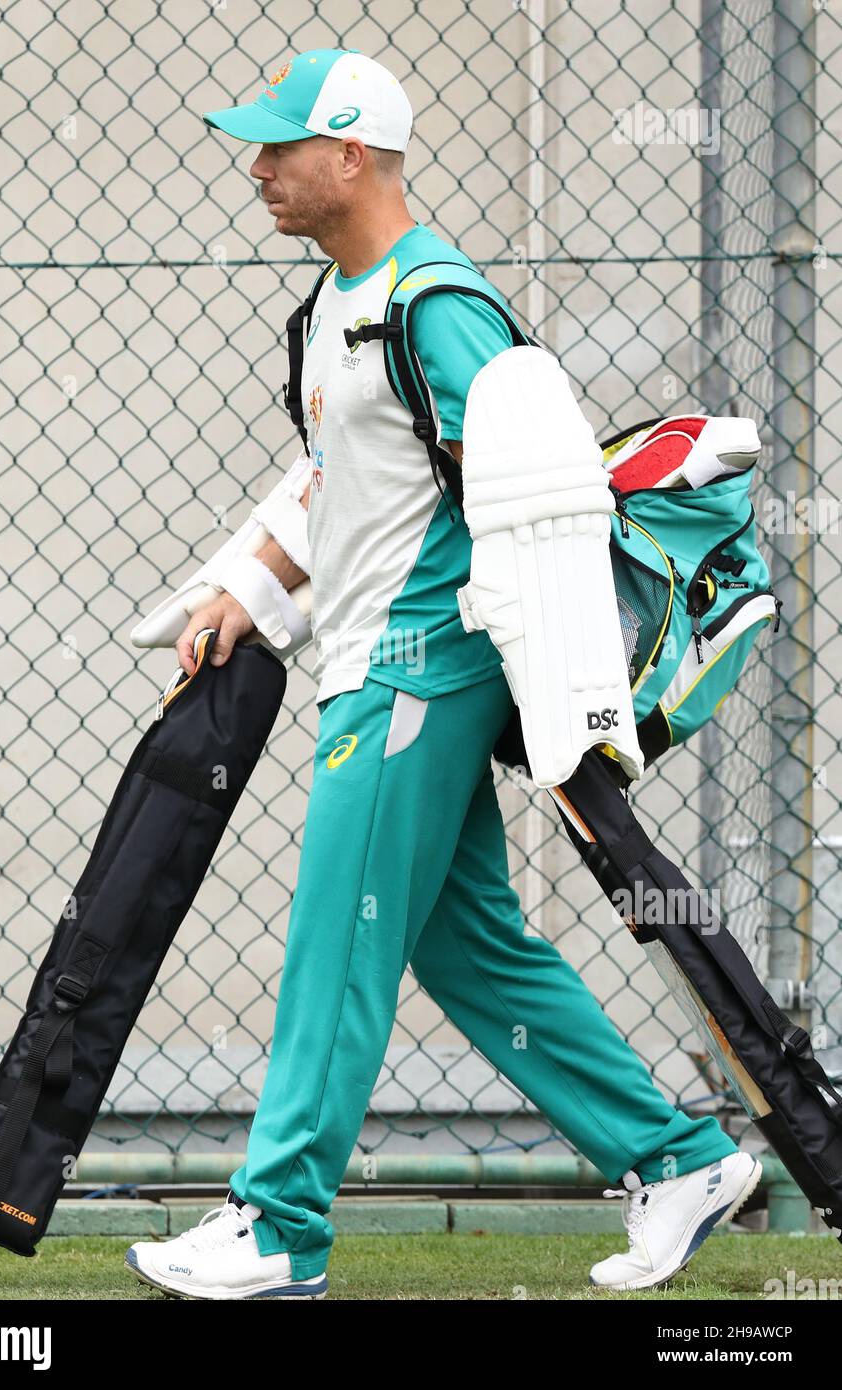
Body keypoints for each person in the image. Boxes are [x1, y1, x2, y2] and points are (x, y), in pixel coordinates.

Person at [125, 47, 761, 1301]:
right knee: (469, 950)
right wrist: (241, 592)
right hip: (378, 658)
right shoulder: (341, 310)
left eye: (280, 147)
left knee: (335, 941)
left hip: (415, 666)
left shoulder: (437, 304)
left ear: (350, 154)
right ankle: (677, 1157)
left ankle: (277, 1225)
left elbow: (543, 485)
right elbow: (337, 484)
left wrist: (566, 697)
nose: (258, 169)